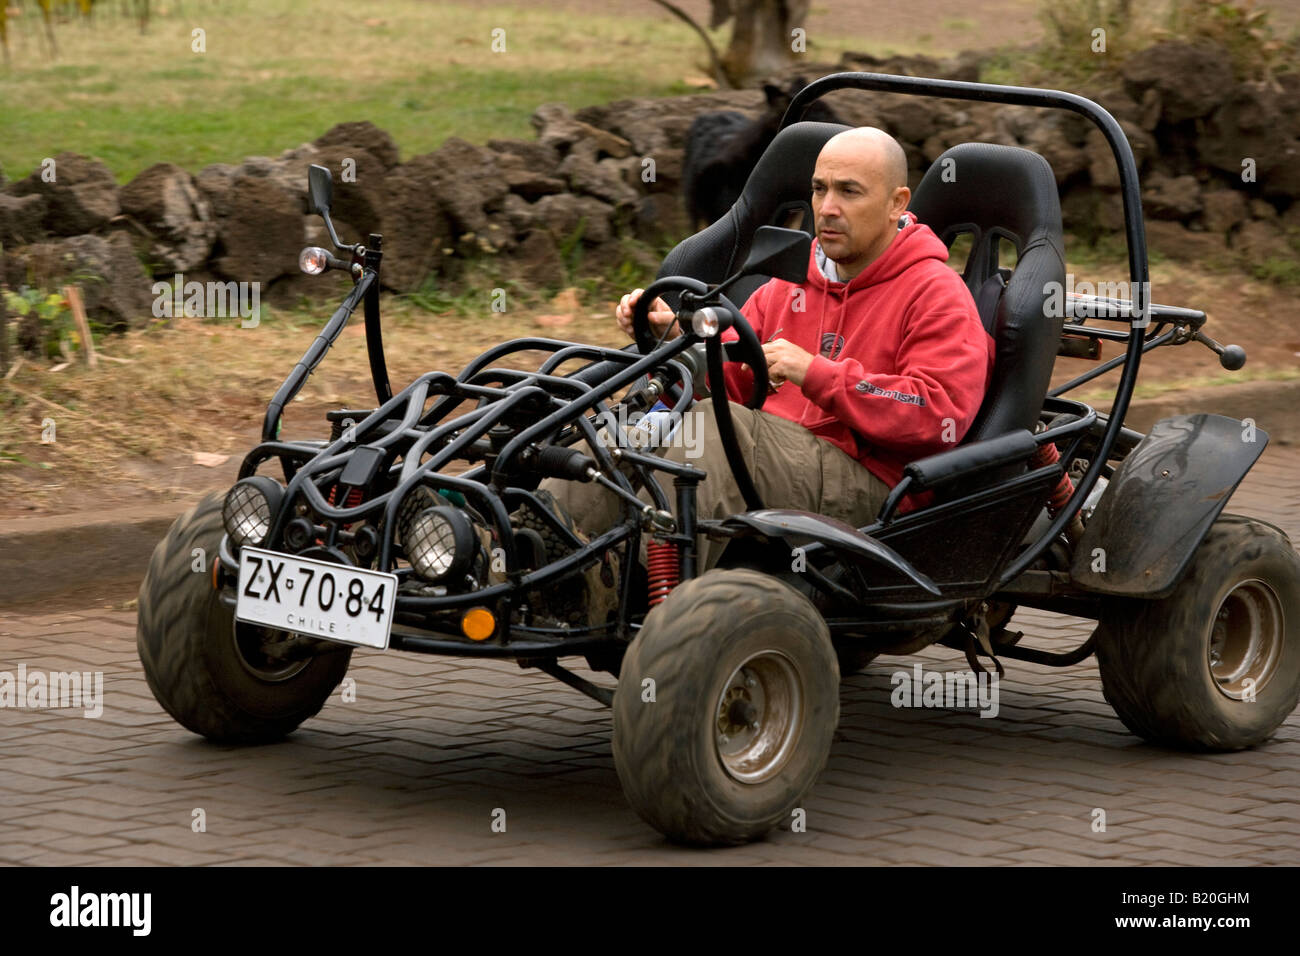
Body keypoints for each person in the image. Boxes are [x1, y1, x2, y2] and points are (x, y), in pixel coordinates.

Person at [536, 126, 995, 574]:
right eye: (820, 189)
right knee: (637, 423)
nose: (827, 208)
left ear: (897, 203)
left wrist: (817, 373)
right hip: (775, 454)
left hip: (870, 482)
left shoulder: (936, 293)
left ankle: (628, 583)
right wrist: (672, 334)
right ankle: (531, 549)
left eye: (849, 192)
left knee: (712, 429)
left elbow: (938, 415)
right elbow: (733, 373)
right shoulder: (793, 281)